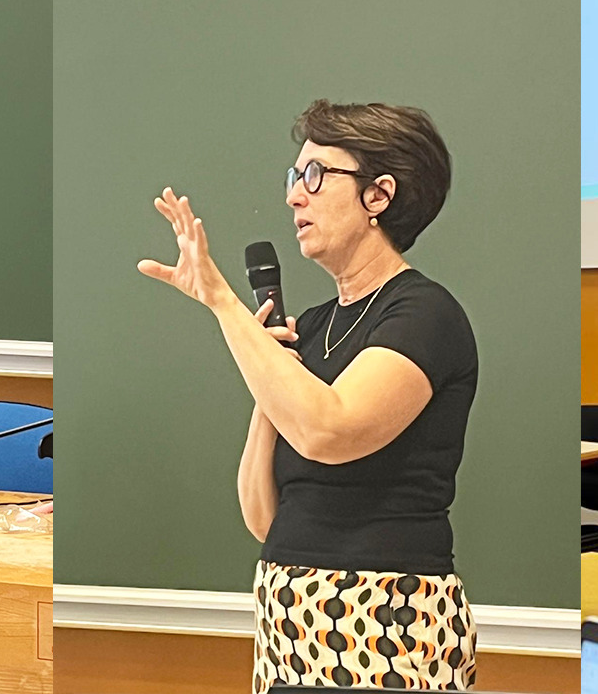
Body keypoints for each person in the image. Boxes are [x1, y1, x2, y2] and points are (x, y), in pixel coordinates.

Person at [139, 100, 478, 692]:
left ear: (379, 196)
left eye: (316, 175)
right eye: (294, 178)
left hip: (389, 621)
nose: (295, 196)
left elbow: (329, 431)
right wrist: (269, 362)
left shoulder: (424, 314)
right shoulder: (314, 325)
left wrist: (223, 301)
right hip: (288, 624)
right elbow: (263, 516)